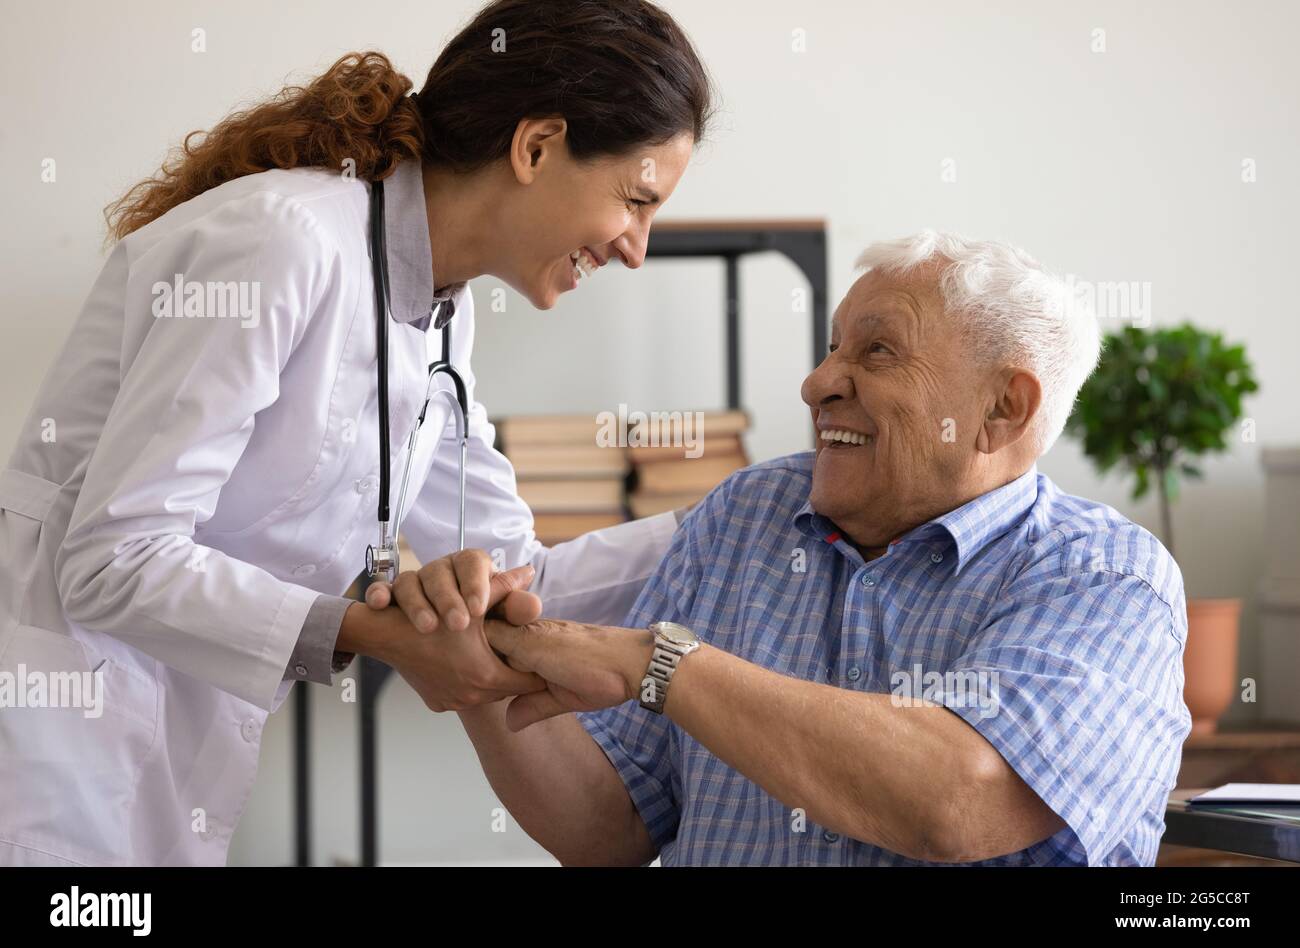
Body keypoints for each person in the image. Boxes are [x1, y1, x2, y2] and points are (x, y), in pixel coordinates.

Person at [0, 0, 713, 865]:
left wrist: (732, 518)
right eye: (636, 200)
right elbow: (114, 557)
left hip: (159, 740)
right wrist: (374, 631)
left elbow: (524, 574)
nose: (637, 247)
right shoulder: (280, 242)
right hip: (53, 733)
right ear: (536, 147)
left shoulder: (441, 320)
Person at [468, 232, 1193, 866]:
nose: (817, 384)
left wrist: (658, 663)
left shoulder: (1104, 577)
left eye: (878, 352)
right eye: (832, 347)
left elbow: (953, 798)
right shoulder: (746, 514)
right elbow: (608, 830)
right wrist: (473, 663)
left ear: (1004, 408)